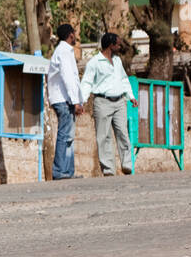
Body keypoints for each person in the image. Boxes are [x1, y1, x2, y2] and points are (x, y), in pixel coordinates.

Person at [80, 31, 138, 176]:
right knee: (103, 136)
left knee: (123, 133)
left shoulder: (117, 61)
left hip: (119, 102)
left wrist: (131, 96)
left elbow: (124, 79)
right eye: (117, 44)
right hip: (102, 102)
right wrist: (81, 101)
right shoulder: (94, 62)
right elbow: (86, 82)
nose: (119, 46)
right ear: (110, 45)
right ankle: (108, 169)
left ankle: (127, 164)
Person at [47, 23, 84, 180]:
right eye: (74, 33)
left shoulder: (63, 51)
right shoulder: (63, 51)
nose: (75, 36)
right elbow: (68, 78)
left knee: (69, 136)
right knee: (64, 135)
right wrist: (76, 101)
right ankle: (60, 171)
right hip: (63, 99)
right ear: (70, 35)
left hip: (65, 99)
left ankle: (67, 172)